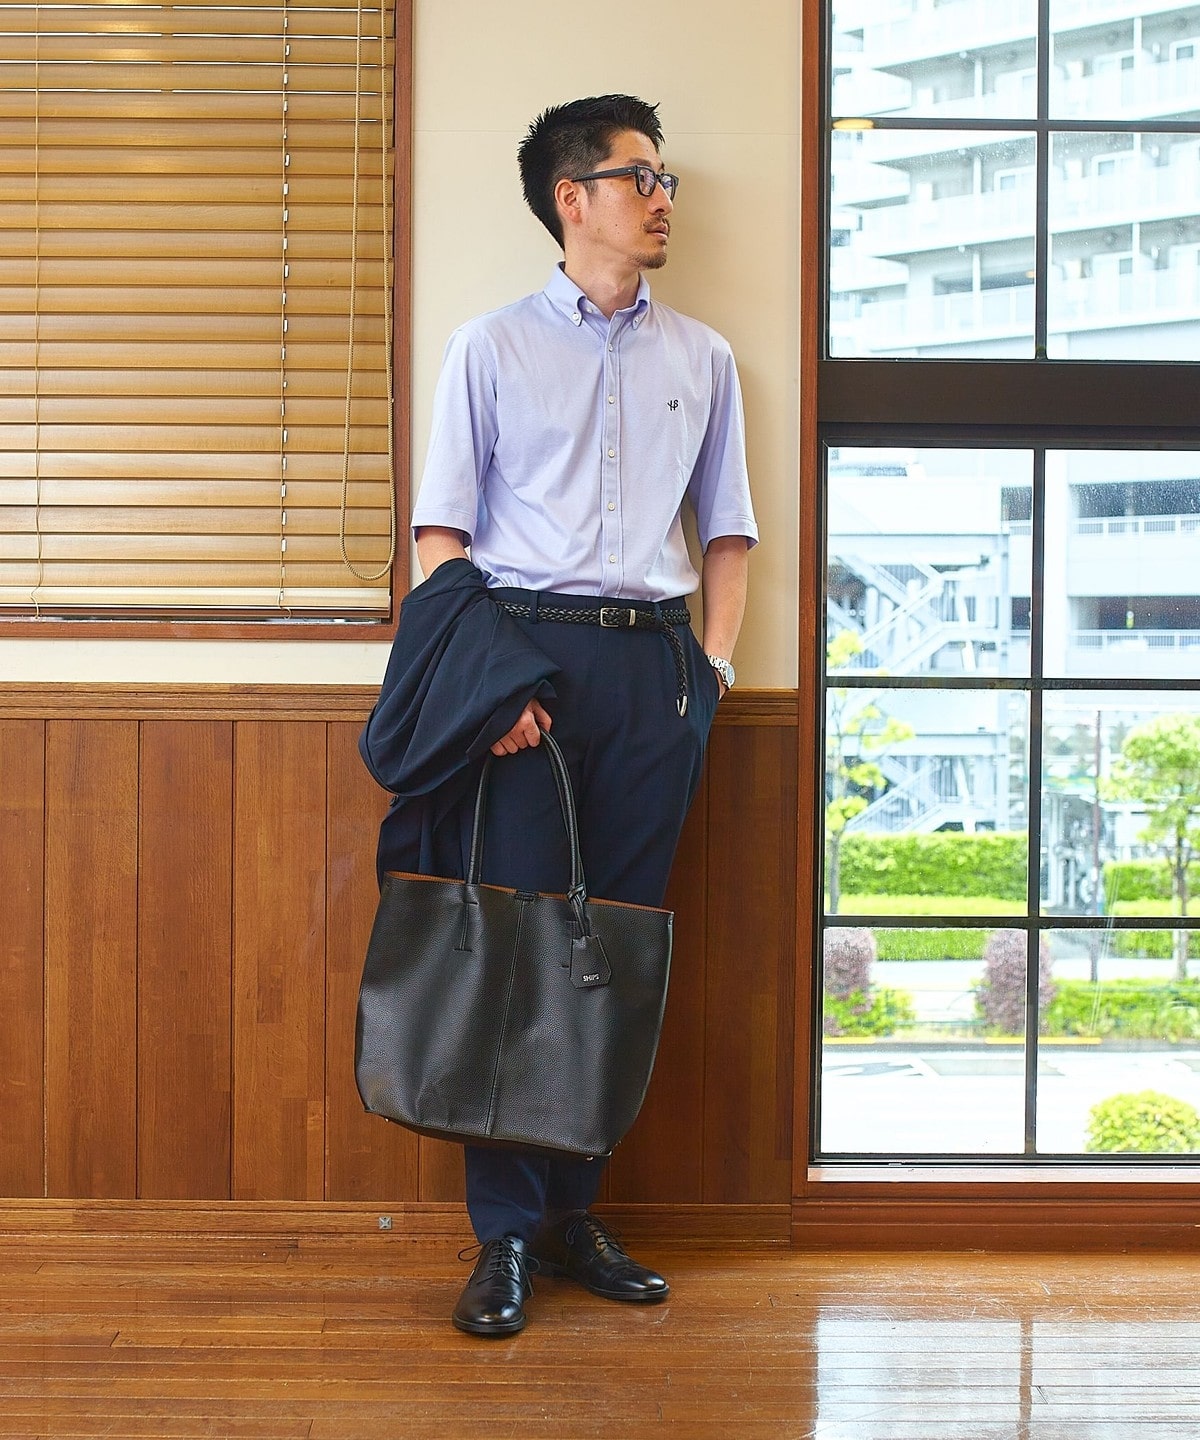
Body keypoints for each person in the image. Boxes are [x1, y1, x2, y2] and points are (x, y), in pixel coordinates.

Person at [402, 94, 757, 1337]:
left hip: (656, 674)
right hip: (525, 674)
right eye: (640, 176)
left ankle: (573, 1214)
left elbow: (727, 533)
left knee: (614, 952)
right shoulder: (489, 348)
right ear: (574, 198)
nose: (663, 198)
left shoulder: (704, 358)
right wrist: (491, 687)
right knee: (514, 950)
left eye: (666, 178)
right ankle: (503, 1232)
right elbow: (442, 537)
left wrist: (709, 678)